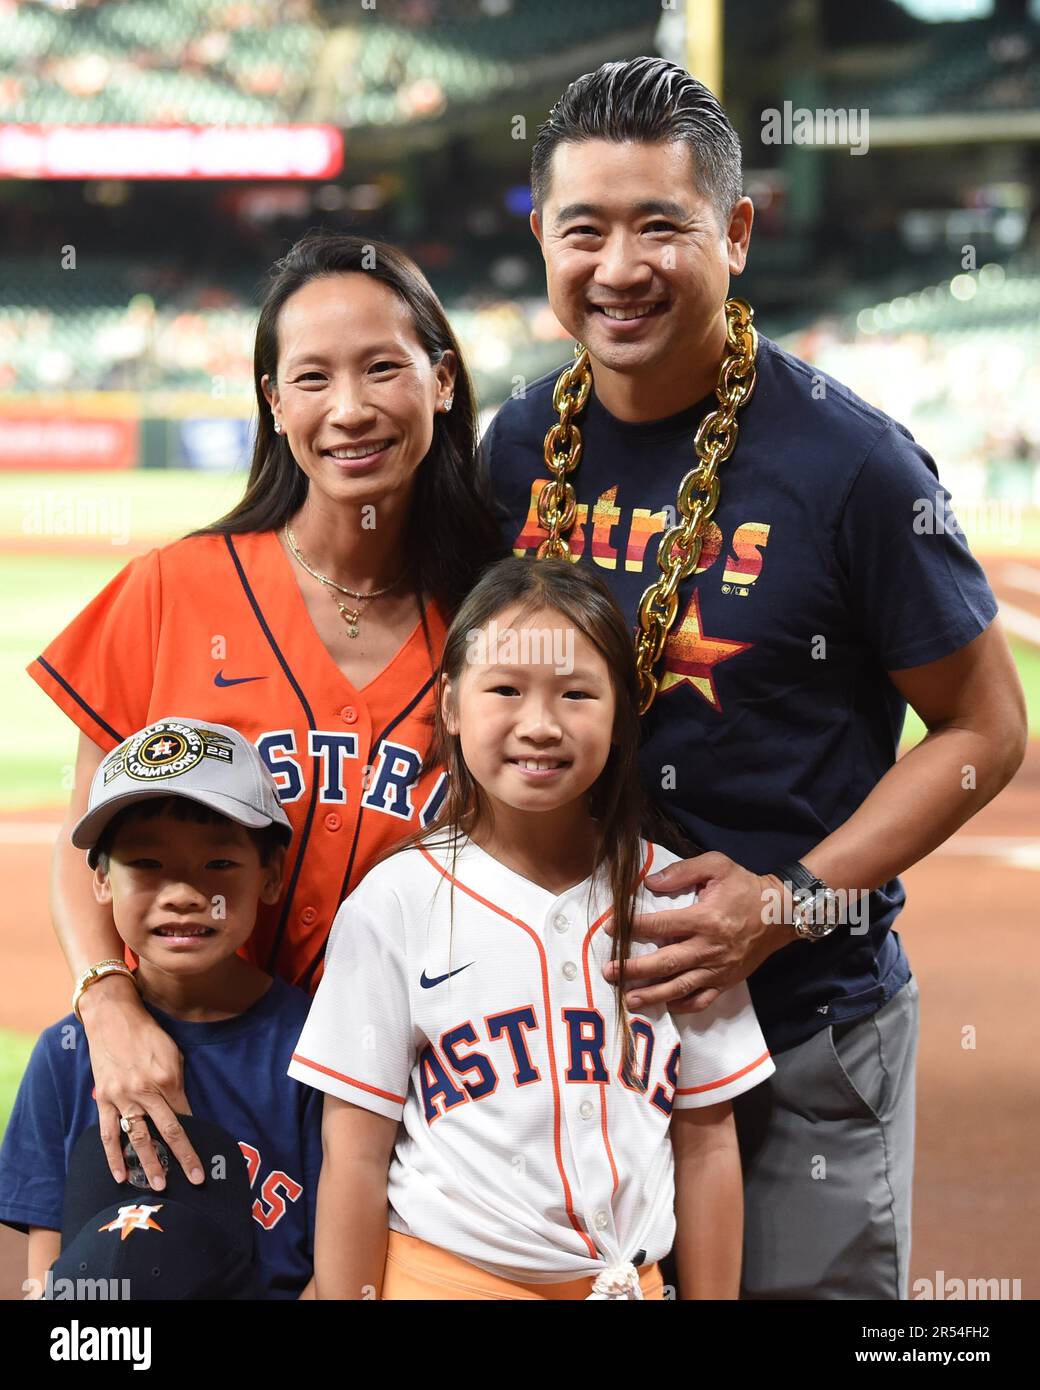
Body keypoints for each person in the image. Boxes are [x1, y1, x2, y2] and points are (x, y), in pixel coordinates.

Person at [480, 58, 1028, 1298]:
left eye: (659, 224)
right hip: (567, 1040)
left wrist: (785, 901)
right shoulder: (514, 448)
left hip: (801, 1033)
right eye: (584, 229)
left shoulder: (856, 464)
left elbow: (983, 729)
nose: (618, 267)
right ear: (543, 243)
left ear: (732, 232)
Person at [27, 232, 507, 1193]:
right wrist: (106, 1000)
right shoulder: (172, 590)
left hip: (426, 1115)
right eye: (312, 377)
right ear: (273, 402)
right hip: (188, 1096)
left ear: (443, 381)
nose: (351, 409)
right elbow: (88, 849)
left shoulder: (498, 624)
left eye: (383, 368)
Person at [288, 557, 775, 1300]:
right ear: (451, 705)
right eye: (505, 690)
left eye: (577, 693)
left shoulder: (681, 902)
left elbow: (707, 1142)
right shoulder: (395, 901)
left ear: (620, 715)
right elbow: (353, 1154)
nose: (540, 725)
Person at [0, 718, 321, 1300]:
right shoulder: (65, 1055)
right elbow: (49, 1275)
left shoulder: (316, 1046)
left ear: (270, 875)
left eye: (218, 864)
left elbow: (338, 1260)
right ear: (99, 879)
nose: (183, 892)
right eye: (147, 865)